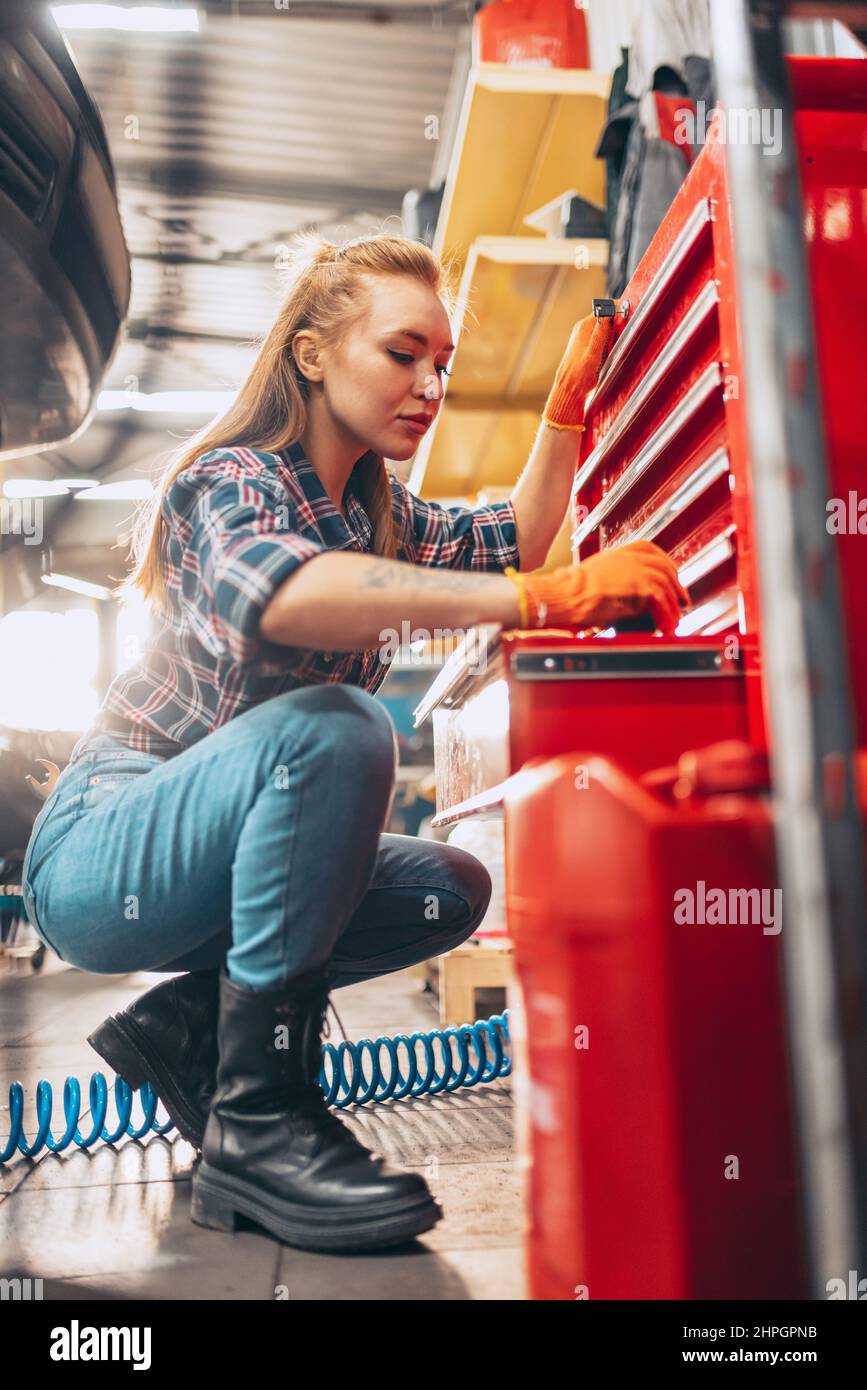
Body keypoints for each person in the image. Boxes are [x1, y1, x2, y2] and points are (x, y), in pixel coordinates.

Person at [20, 231, 687, 1254]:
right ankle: (260, 1123)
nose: (429, 384)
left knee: (450, 884)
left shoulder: (381, 514)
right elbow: (284, 596)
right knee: (335, 728)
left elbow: (517, 534)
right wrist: (530, 600)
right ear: (314, 354)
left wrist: (563, 416)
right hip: (103, 852)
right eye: (401, 352)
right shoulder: (231, 482)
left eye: (442, 365)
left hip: (210, 866)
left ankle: (194, 1029)